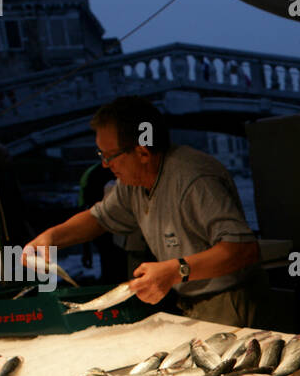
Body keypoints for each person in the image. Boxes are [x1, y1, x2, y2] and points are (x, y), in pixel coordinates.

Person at [23, 96, 266, 325]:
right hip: (188, 300)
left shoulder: (194, 179)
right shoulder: (133, 183)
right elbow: (99, 218)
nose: (105, 165)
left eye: (110, 156)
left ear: (142, 152)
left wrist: (174, 270)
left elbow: (242, 250)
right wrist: (50, 238)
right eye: (102, 155)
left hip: (229, 301)